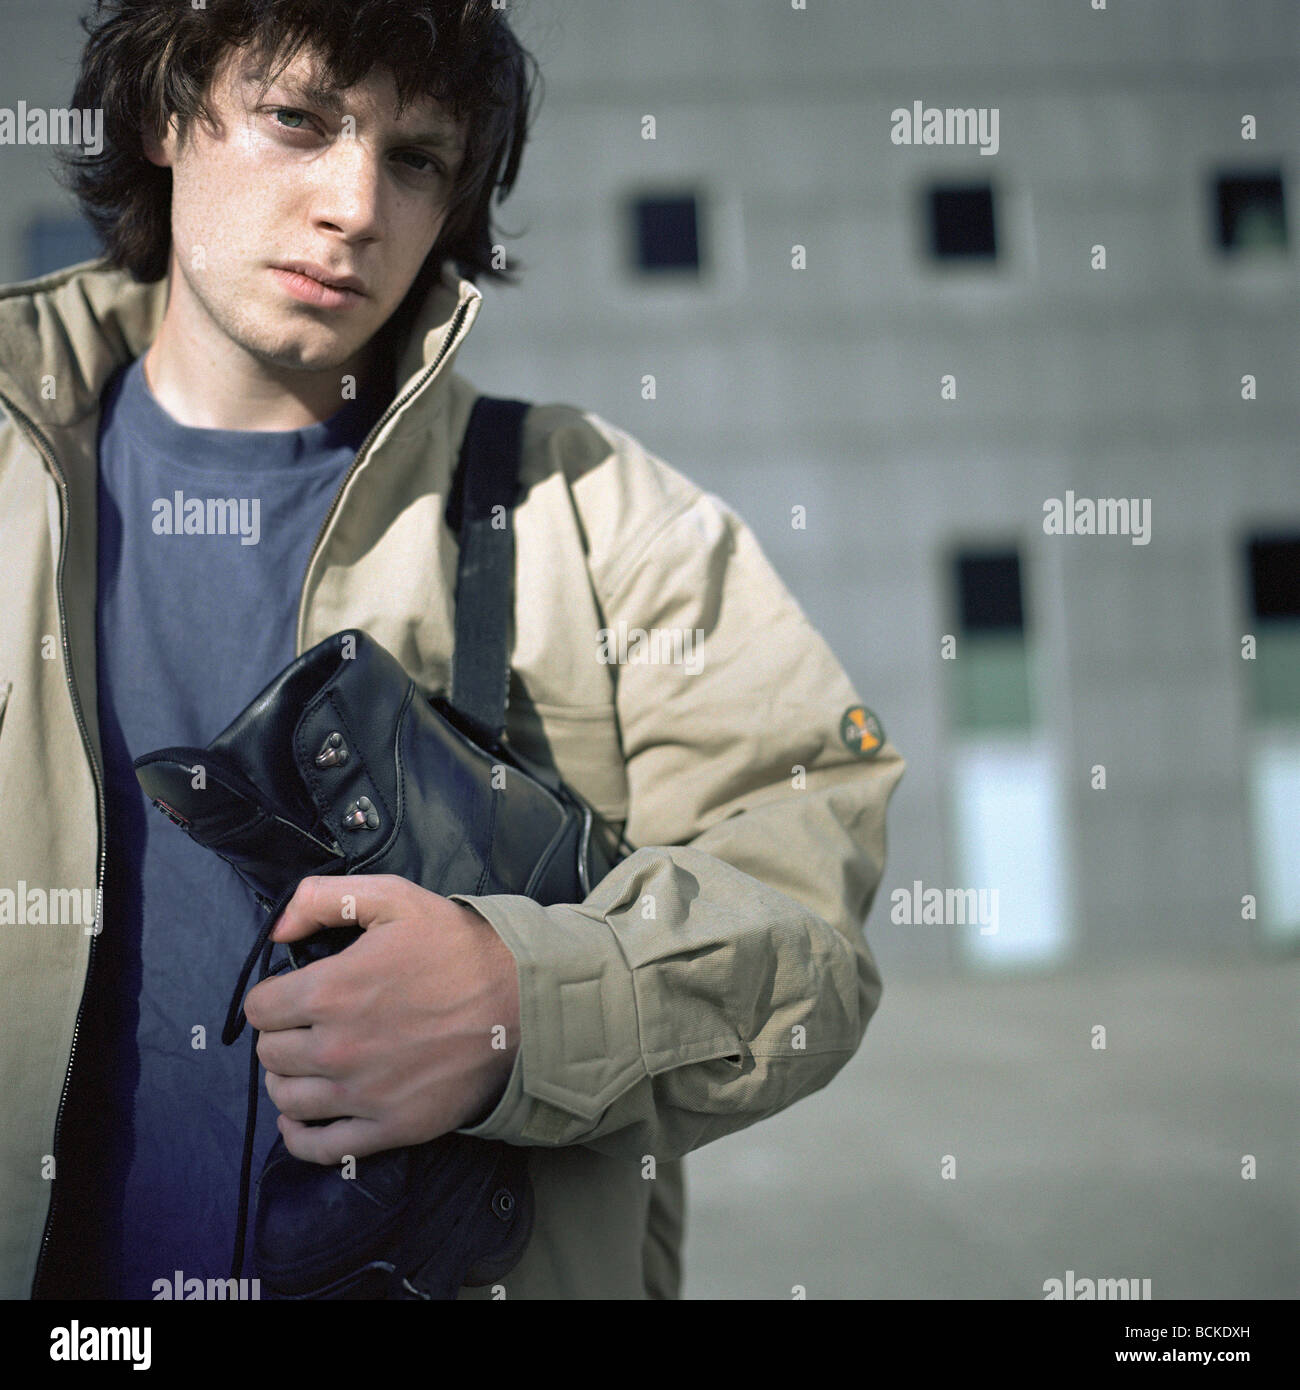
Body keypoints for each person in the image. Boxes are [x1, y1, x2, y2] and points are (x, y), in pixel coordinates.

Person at [0, 0, 903, 1300]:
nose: (356, 203)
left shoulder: (591, 512)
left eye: (416, 158)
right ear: (165, 111)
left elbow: (809, 936)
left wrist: (524, 1006)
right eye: (299, 121)